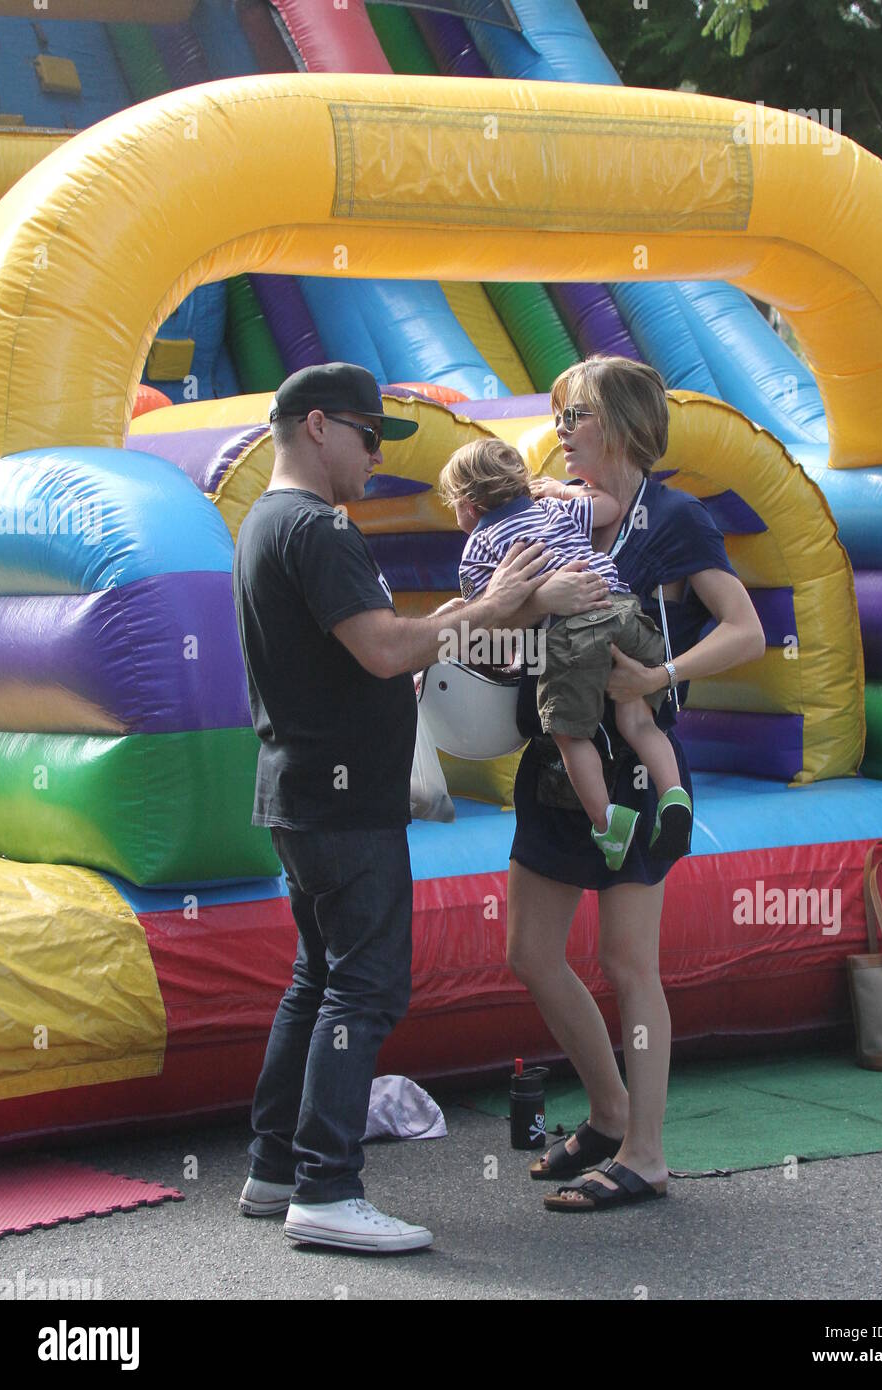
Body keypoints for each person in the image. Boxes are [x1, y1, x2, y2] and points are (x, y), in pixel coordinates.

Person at [231, 362, 608, 1252]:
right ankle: (325, 1188)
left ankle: (275, 1165)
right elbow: (380, 649)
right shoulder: (319, 526)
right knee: (363, 988)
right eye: (368, 439)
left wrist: (452, 619)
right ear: (318, 427)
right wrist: (493, 606)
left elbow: (369, 643)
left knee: (316, 980)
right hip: (344, 800)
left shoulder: (264, 521)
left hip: (296, 790)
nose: (374, 459)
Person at [507, 356, 766, 1212]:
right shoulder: (558, 509)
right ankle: (610, 1109)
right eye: (558, 416)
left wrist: (658, 680)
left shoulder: (675, 516)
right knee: (531, 953)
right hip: (555, 756)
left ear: (616, 421)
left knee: (627, 960)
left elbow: (744, 631)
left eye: (572, 415)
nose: (561, 431)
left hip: (631, 764)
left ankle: (647, 1153)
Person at [438, 437, 692, 870]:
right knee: (638, 719)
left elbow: (487, 615)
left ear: (468, 503)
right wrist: (563, 490)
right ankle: (673, 795)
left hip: (570, 633)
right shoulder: (554, 509)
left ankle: (607, 820)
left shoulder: (479, 547)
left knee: (569, 733)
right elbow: (611, 507)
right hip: (623, 610)